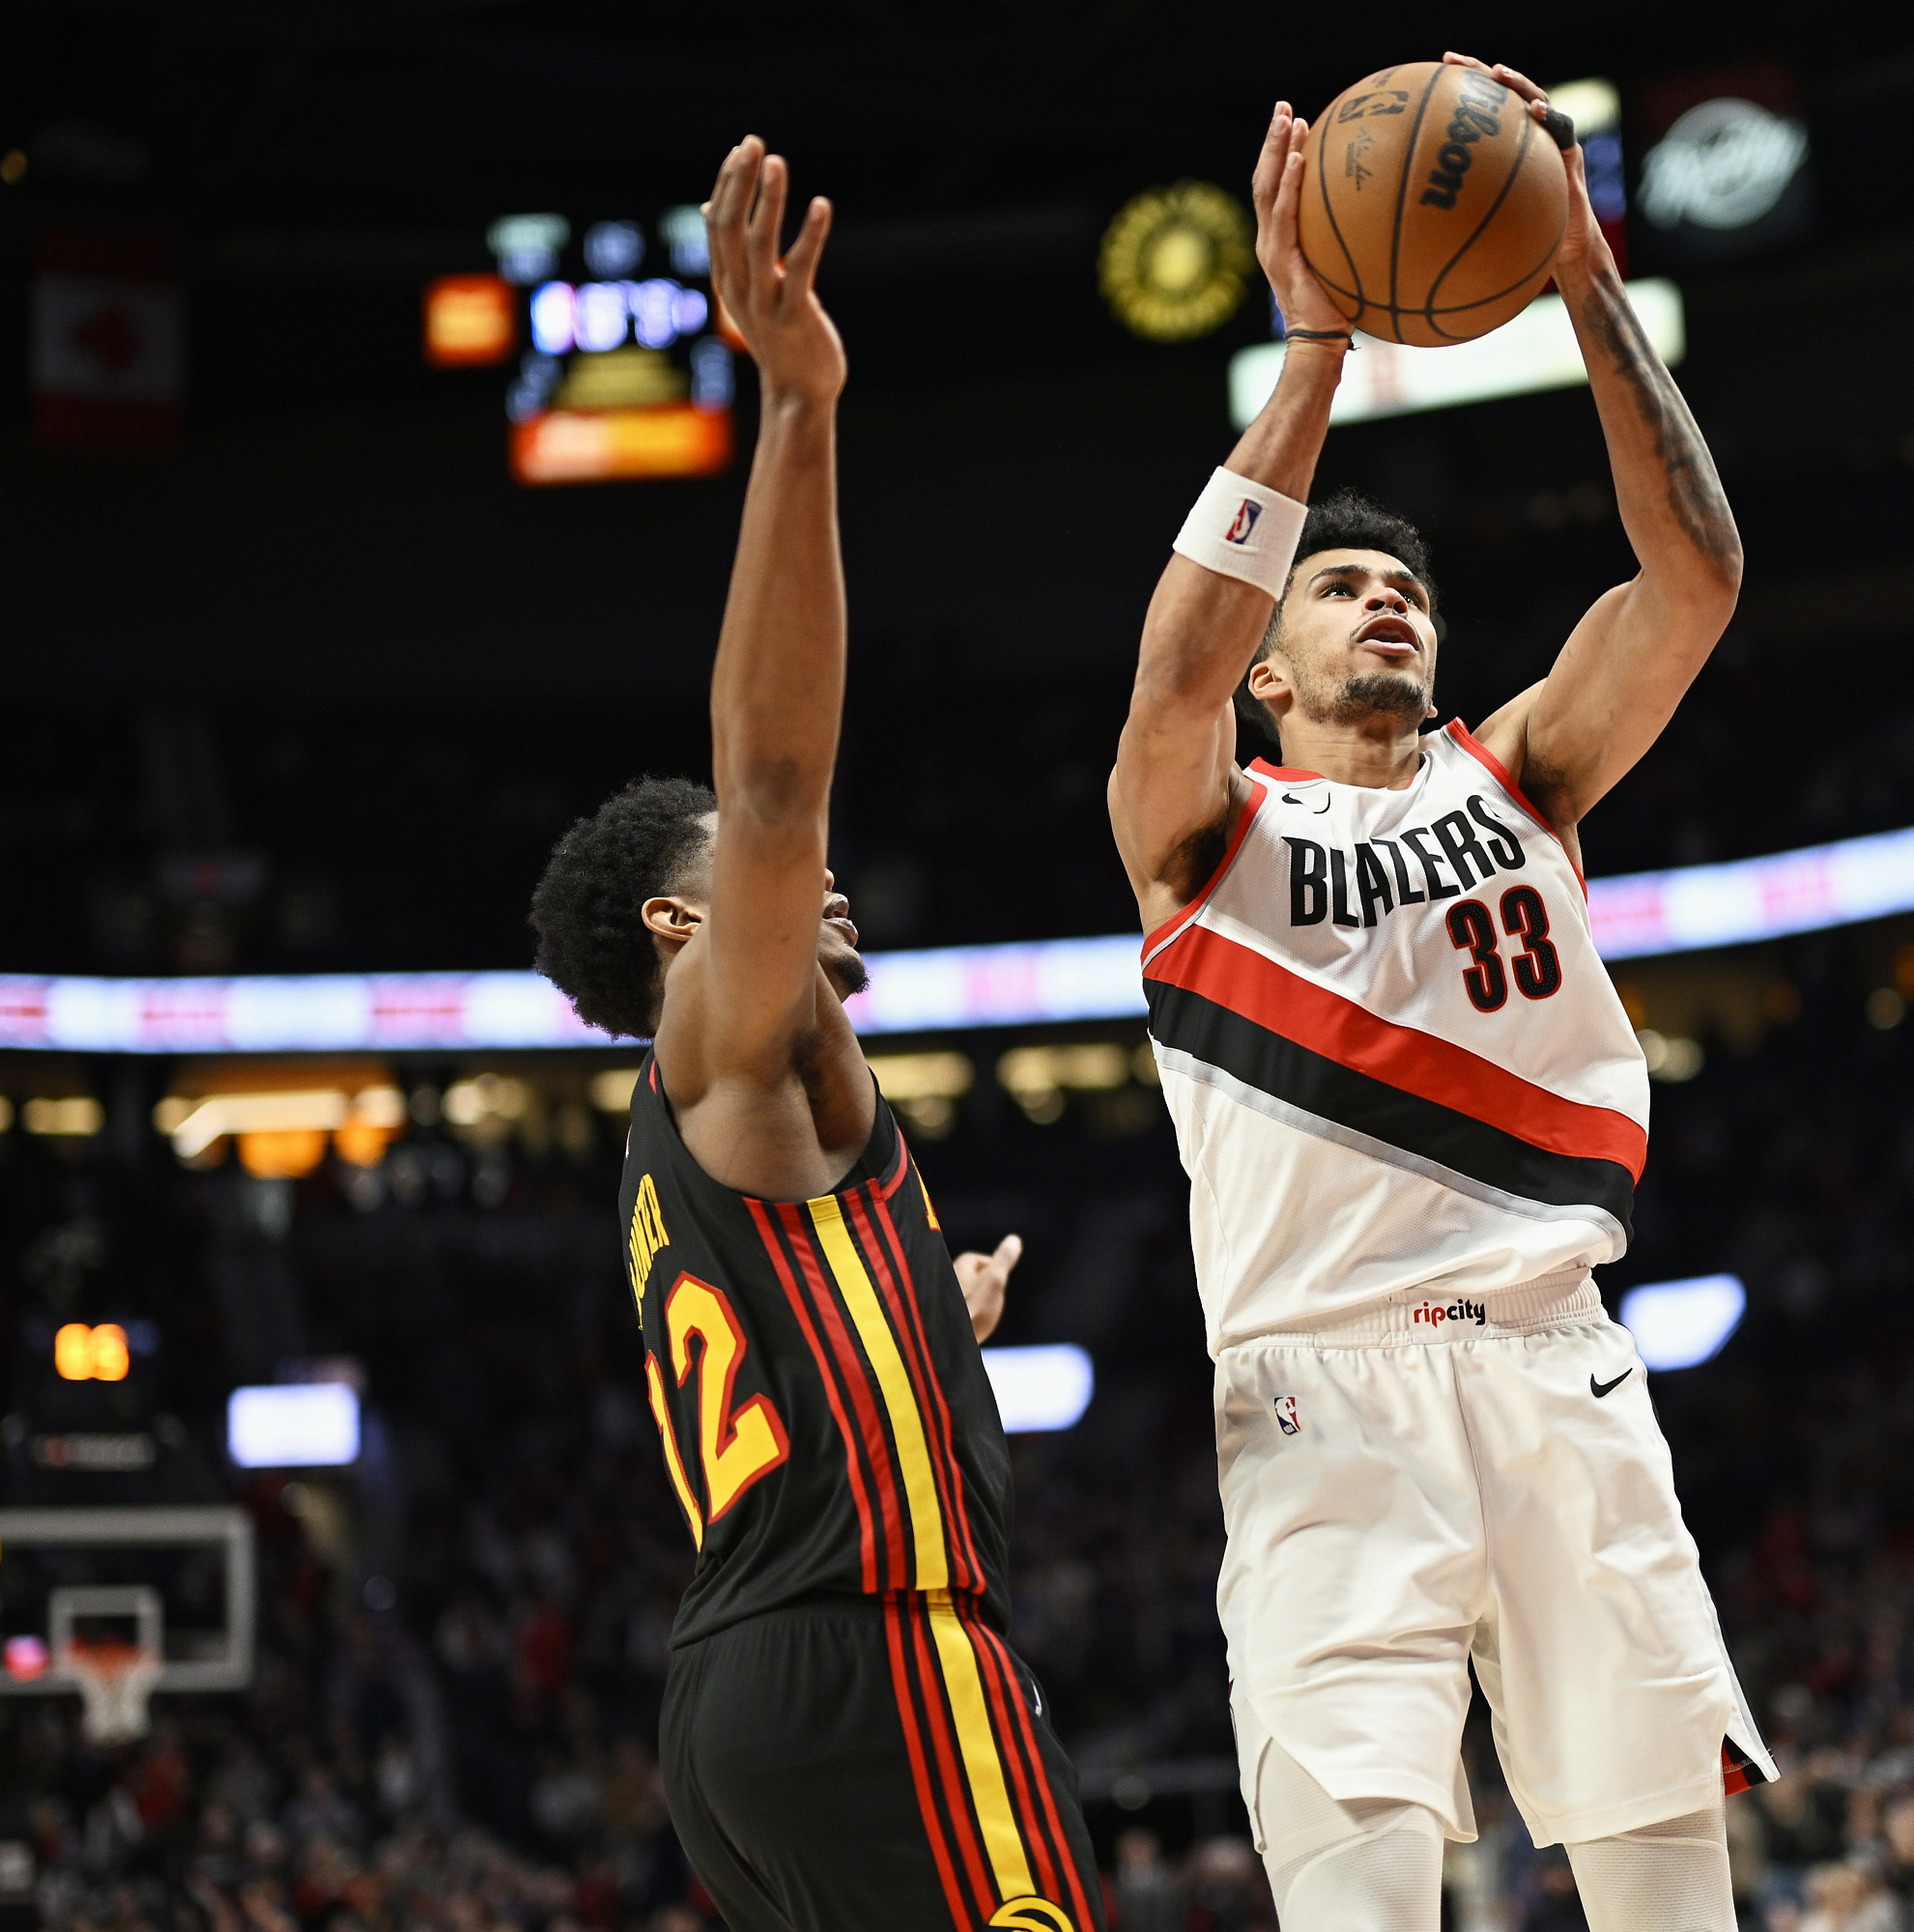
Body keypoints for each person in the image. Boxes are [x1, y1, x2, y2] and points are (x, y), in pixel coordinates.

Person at [1105, 54, 1769, 1932]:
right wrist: (1309, 345)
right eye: (1335, 591)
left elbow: (1698, 575)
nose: (1385, 599)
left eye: (1403, 588)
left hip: (1565, 1362)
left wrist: (1576, 271)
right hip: (1324, 1396)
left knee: (1670, 1908)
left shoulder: (1525, 775)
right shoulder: (1202, 831)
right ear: (1269, 666)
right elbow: (1164, 674)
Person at [527, 136, 1096, 1932]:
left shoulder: (710, 1132)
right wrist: (797, 410)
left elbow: (789, 1332)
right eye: (761, 880)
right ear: (679, 924)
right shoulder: (720, 1014)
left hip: (748, 1705)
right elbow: (773, 777)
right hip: (881, 1661)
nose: (818, 884)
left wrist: (939, 1316)